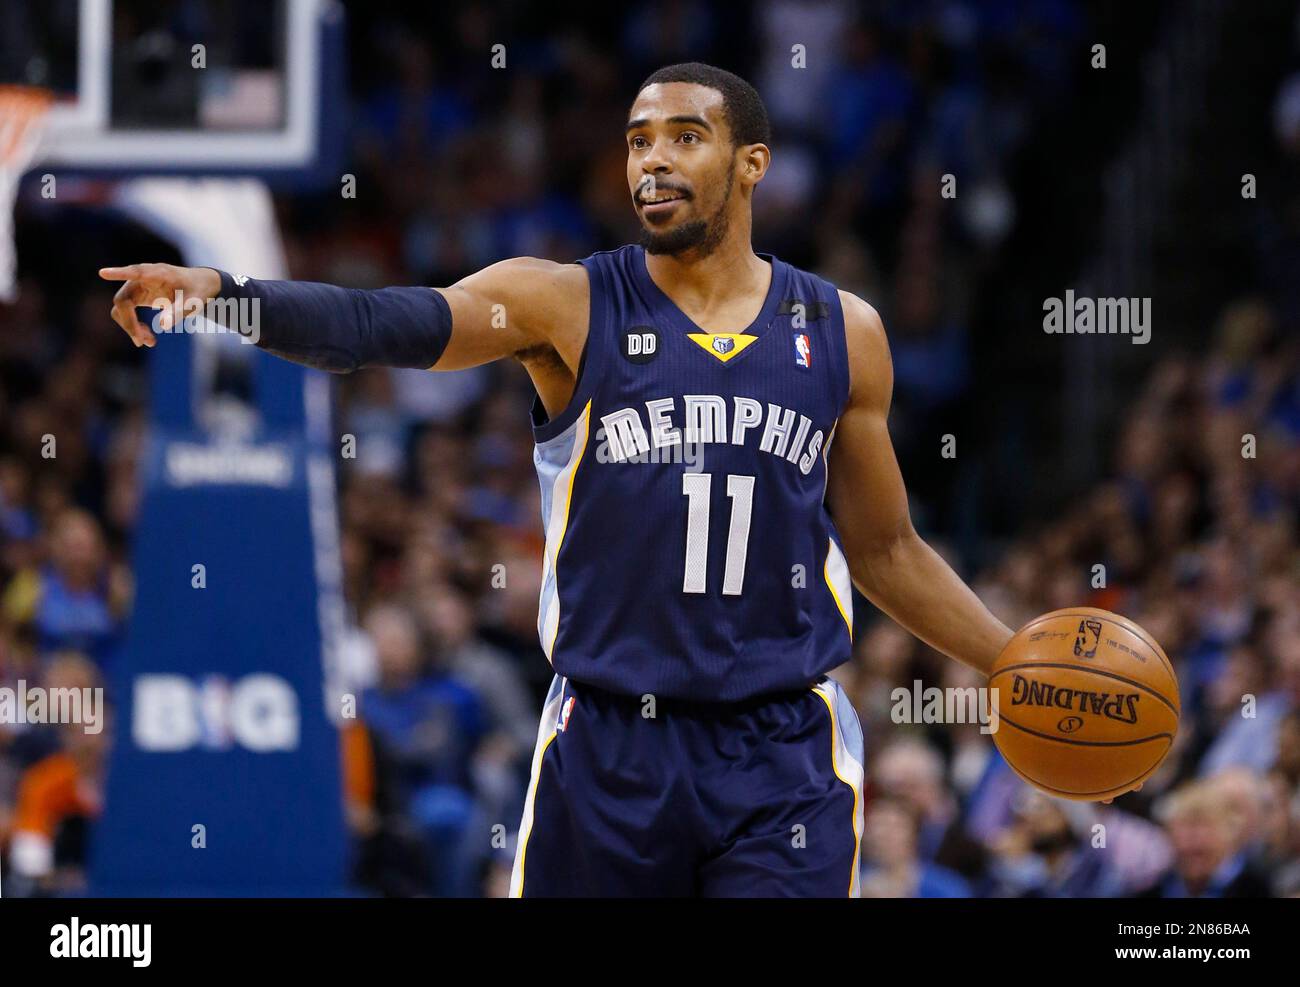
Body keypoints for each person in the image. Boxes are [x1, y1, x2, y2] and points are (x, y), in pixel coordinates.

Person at [99, 62, 1019, 897]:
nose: (651, 161)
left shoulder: (843, 330)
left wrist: (1010, 664)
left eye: (684, 136)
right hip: (609, 744)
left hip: (780, 752)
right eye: (637, 141)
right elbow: (384, 323)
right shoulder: (568, 305)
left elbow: (885, 547)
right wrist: (220, 292)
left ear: (752, 164)